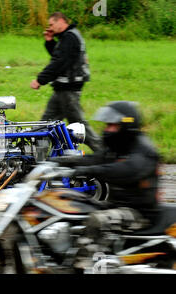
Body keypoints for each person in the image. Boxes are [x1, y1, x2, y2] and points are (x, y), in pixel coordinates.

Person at [56, 101, 160, 268]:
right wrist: (58, 162)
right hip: (115, 204)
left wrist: (89, 171)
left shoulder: (143, 150)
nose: (107, 130)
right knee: (73, 205)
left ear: (126, 125)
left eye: (112, 126)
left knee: (97, 220)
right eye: (107, 125)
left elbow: (127, 170)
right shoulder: (118, 146)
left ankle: (81, 266)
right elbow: (94, 158)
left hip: (139, 213)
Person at [30, 12, 101, 152]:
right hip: (61, 90)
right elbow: (59, 55)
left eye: (52, 24)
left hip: (69, 90)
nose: (50, 27)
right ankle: (35, 157)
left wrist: (40, 80)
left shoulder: (70, 37)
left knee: (79, 126)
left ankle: (104, 153)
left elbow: (59, 63)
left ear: (61, 21)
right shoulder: (67, 37)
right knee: (45, 125)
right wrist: (50, 42)